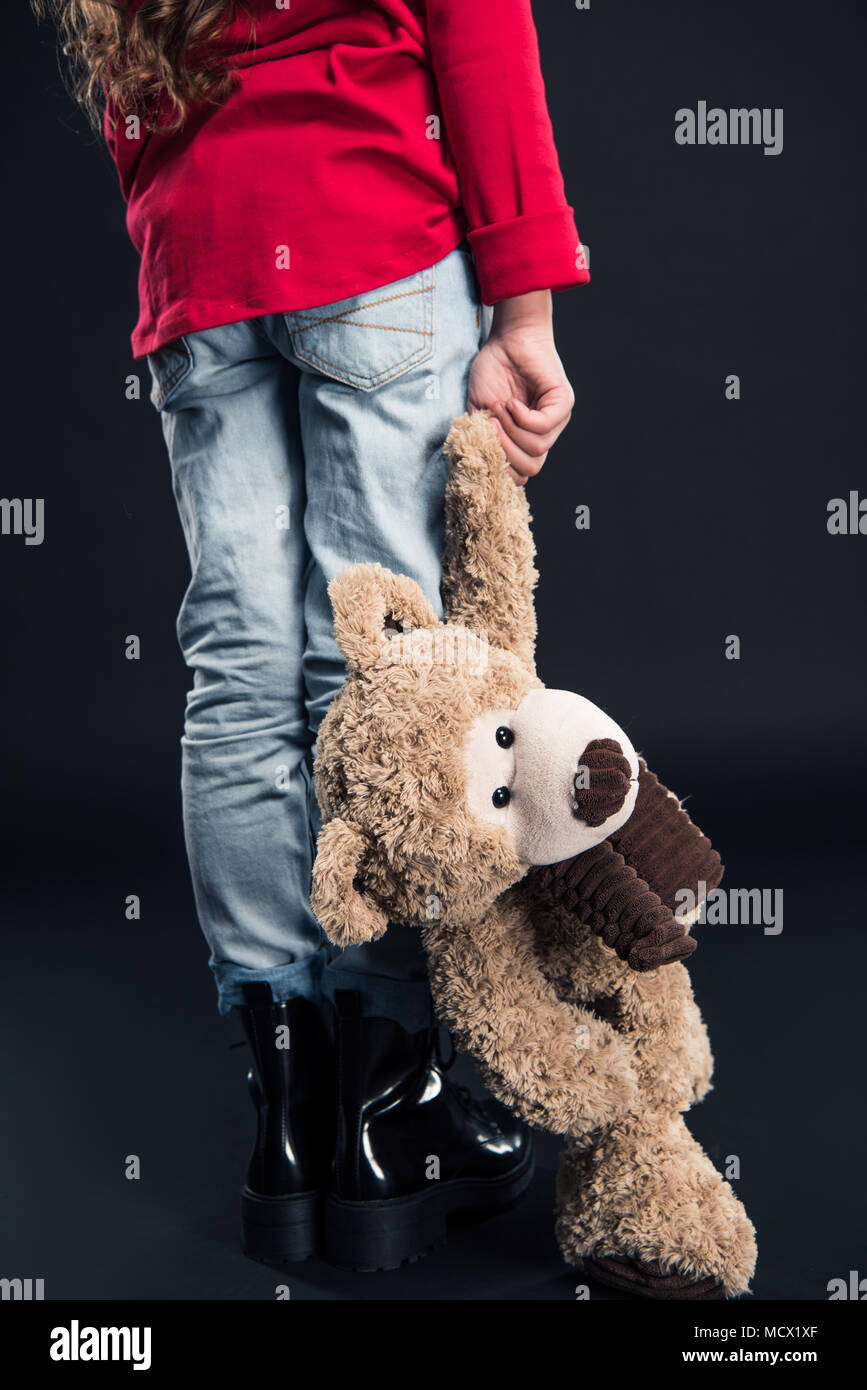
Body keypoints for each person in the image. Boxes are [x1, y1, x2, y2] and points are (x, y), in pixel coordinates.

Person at [34, 0, 590, 1274]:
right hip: (367, 229)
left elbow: (120, 59)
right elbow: (481, 31)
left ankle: (283, 1115)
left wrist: (180, 222)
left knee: (235, 671)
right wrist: (528, 312)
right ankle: (385, 1108)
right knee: (383, 670)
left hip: (200, 261)